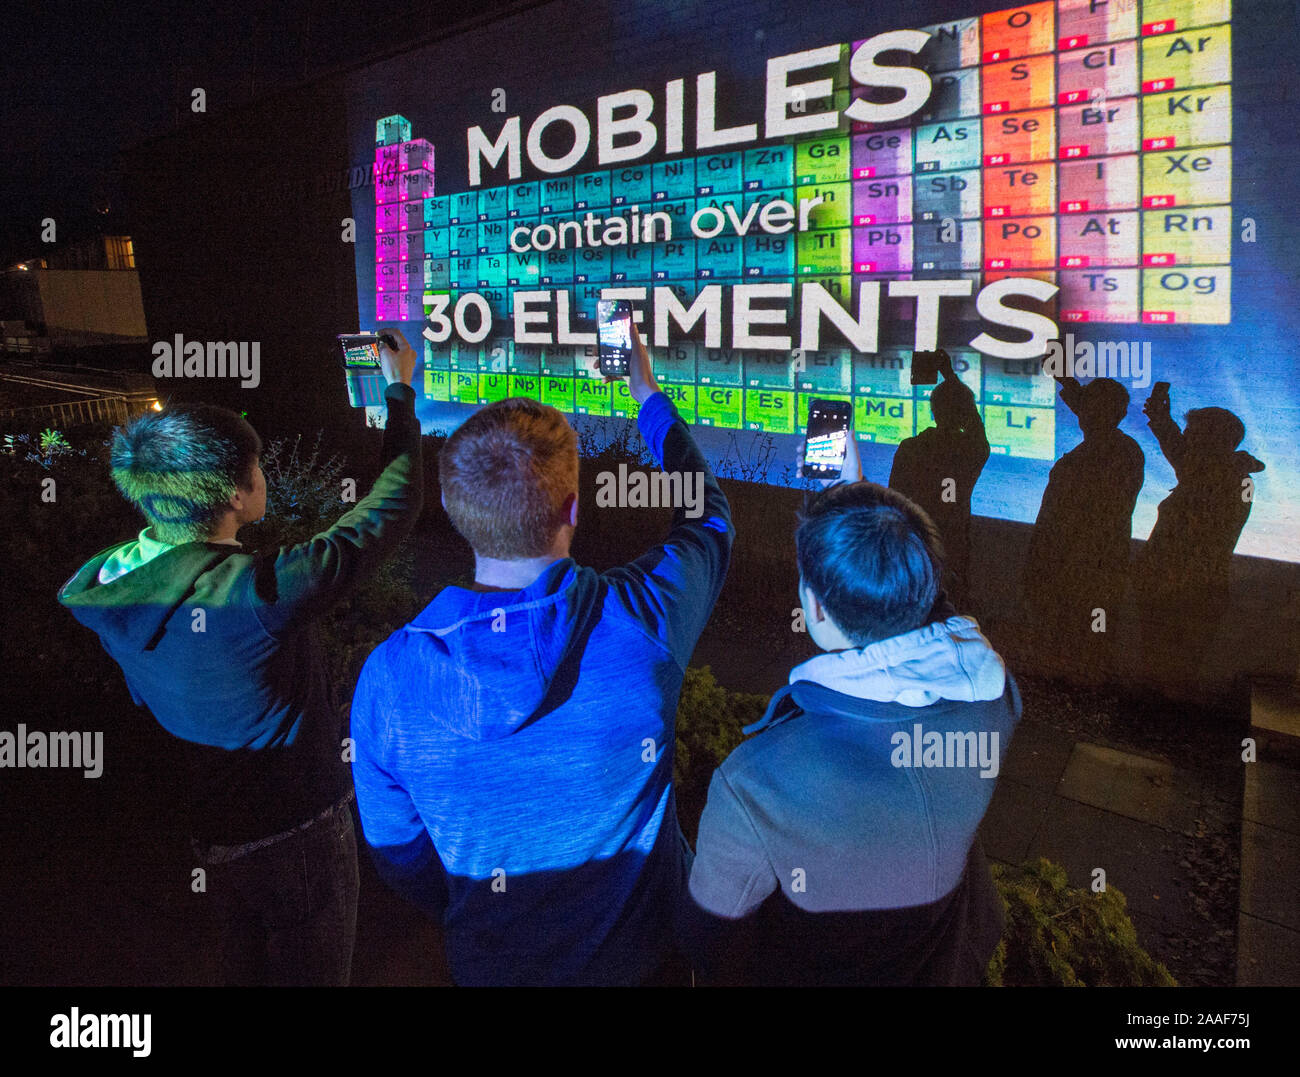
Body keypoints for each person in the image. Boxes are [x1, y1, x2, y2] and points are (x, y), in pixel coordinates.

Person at [349, 322, 733, 986]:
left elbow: (401, 855)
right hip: (645, 967)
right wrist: (646, 392)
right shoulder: (645, 620)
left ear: (449, 503)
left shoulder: (388, 677)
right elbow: (709, 517)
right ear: (574, 507)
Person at [58, 327, 422, 985]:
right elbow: (389, 509)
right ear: (234, 494)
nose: (262, 475)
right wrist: (401, 391)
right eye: (253, 466)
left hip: (214, 840)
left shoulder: (108, 584)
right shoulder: (250, 594)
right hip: (299, 838)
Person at [685, 430, 1019, 985]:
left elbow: (713, 947)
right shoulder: (994, 699)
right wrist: (858, 510)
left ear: (813, 605)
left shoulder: (755, 785)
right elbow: (927, 606)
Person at [1136, 388, 1264, 694]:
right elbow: (1182, 454)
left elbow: (1182, 457)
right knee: (1168, 676)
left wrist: (1161, 421)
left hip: (1185, 594)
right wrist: (1161, 420)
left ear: (1212, 441)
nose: (1188, 439)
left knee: (1170, 678)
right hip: (1183, 591)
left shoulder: (1223, 478)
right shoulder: (1223, 474)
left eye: (1193, 434)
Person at [1020, 374, 1144, 681]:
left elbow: (1068, 524)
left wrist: (1043, 566)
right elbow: (1096, 416)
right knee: (1086, 643)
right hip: (1089, 571)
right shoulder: (1123, 448)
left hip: (1078, 572)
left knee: (1079, 647)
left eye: (1092, 408)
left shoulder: (1106, 453)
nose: (1084, 415)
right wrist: (1067, 381)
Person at [889, 349, 989, 609]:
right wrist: (949, 374)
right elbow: (975, 424)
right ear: (965, 414)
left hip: (913, 549)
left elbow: (894, 501)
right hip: (954, 550)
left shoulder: (910, 448)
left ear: (933, 411)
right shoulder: (973, 450)